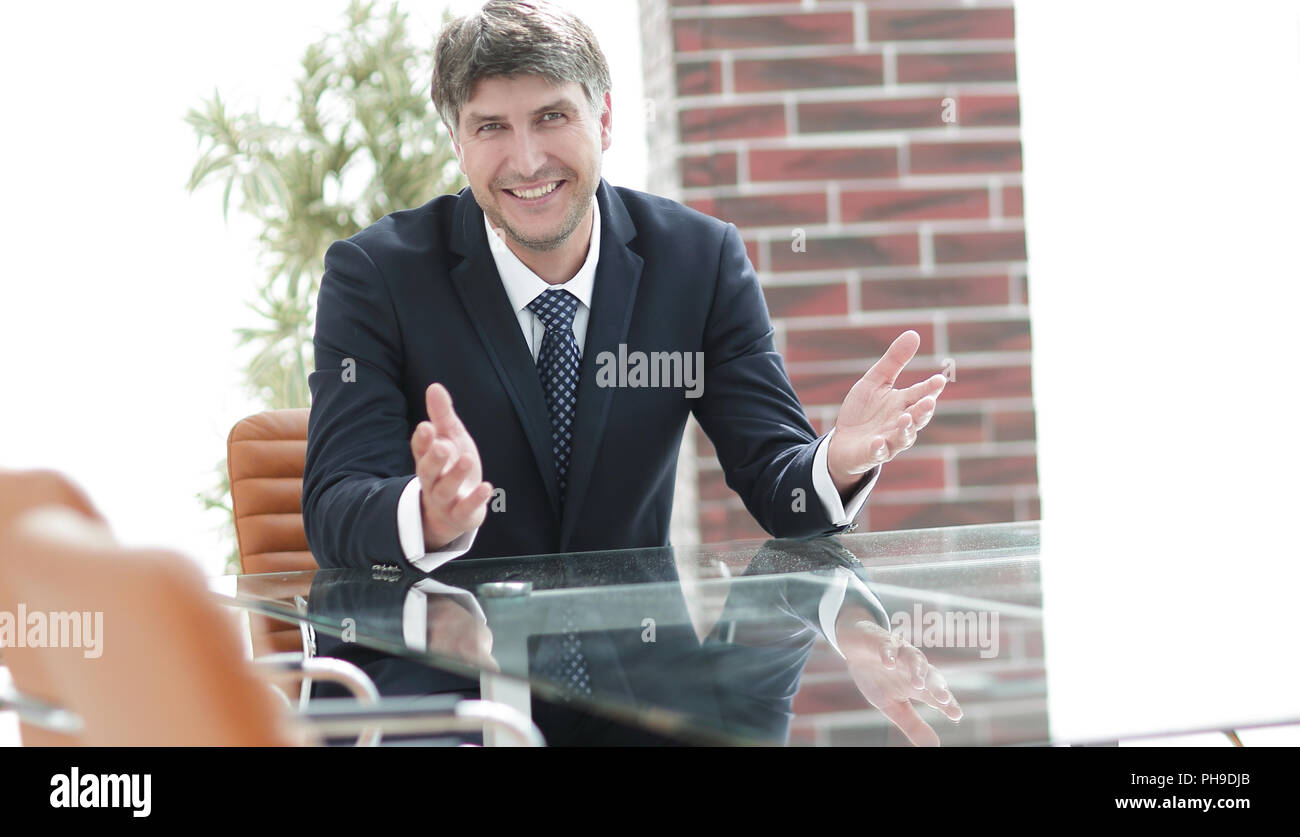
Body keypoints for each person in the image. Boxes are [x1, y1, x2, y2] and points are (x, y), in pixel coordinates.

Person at [302, 0, 956, 744]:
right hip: (443, 694)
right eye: (491, 127)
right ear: (457, 139)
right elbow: (335, 502)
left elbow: (778, 481)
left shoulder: (697, 260)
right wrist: (428, 511)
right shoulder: (376, 276)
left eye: (552, 117)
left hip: (641, 685)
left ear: (604, 119)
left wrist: (832, 460)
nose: (526, 160)